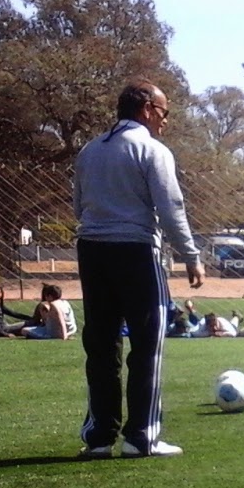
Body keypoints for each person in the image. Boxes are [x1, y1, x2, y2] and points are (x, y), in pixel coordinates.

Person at [73, 80, 204, 457]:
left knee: (100, 345)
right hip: (136, 250)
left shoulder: (90, 150)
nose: (166, 121)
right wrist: (190, 255)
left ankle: (100, 438)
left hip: (92, 250)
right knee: (147, 345)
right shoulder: (152, 150)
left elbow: (77, 205)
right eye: (164, 112)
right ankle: (141, 436)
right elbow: (171, 208)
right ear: (146, 108)